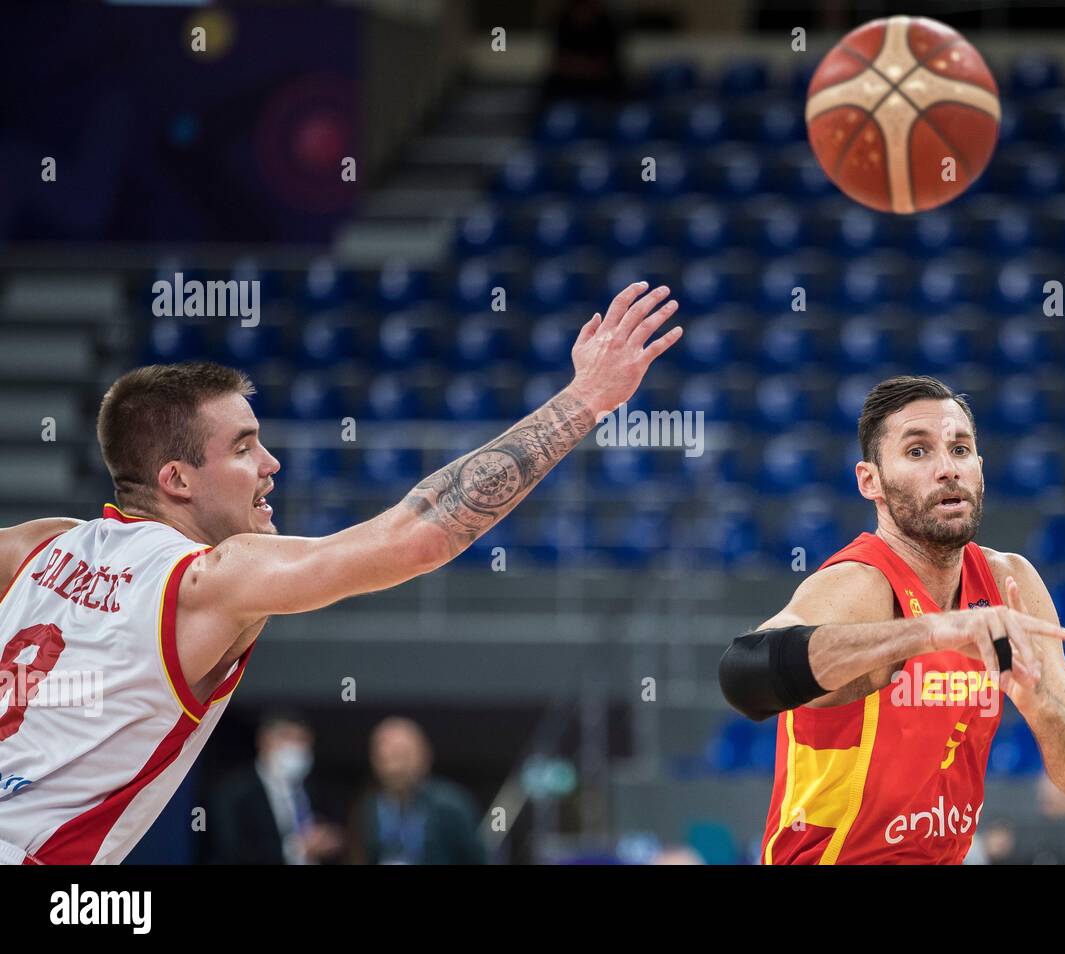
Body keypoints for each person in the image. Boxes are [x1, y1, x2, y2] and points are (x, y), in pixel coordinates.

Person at [0, 281, 680, 864]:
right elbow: (416, 536)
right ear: (176, 479)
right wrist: (587, 399)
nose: (271, 463)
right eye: (243, 448)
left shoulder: (39, 547)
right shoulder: (210, 578)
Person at [718, 375, 1065, 864]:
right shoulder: (860, 585)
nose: (947, 469)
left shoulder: (1009, 581)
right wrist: (929, 631)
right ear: (871, 481)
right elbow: (742, 675)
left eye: (961, 449)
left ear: (980, 468)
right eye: (917, 452)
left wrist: (1040, 707)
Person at [211, 712, 345, 865]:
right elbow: (231, 849)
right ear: (263, 740)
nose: (296, 747)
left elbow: (336, 835)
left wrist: (329, 841)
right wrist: (297, 849)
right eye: (287, 737)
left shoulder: (317, 790)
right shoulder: (235, 792)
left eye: (302, 740)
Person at [350, 717, 483, 865]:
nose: (394, 768)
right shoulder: (370, 807)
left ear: (424, 756)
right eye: (385, 758)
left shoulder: (450, 805)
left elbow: (477, 857)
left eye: (401, 756)